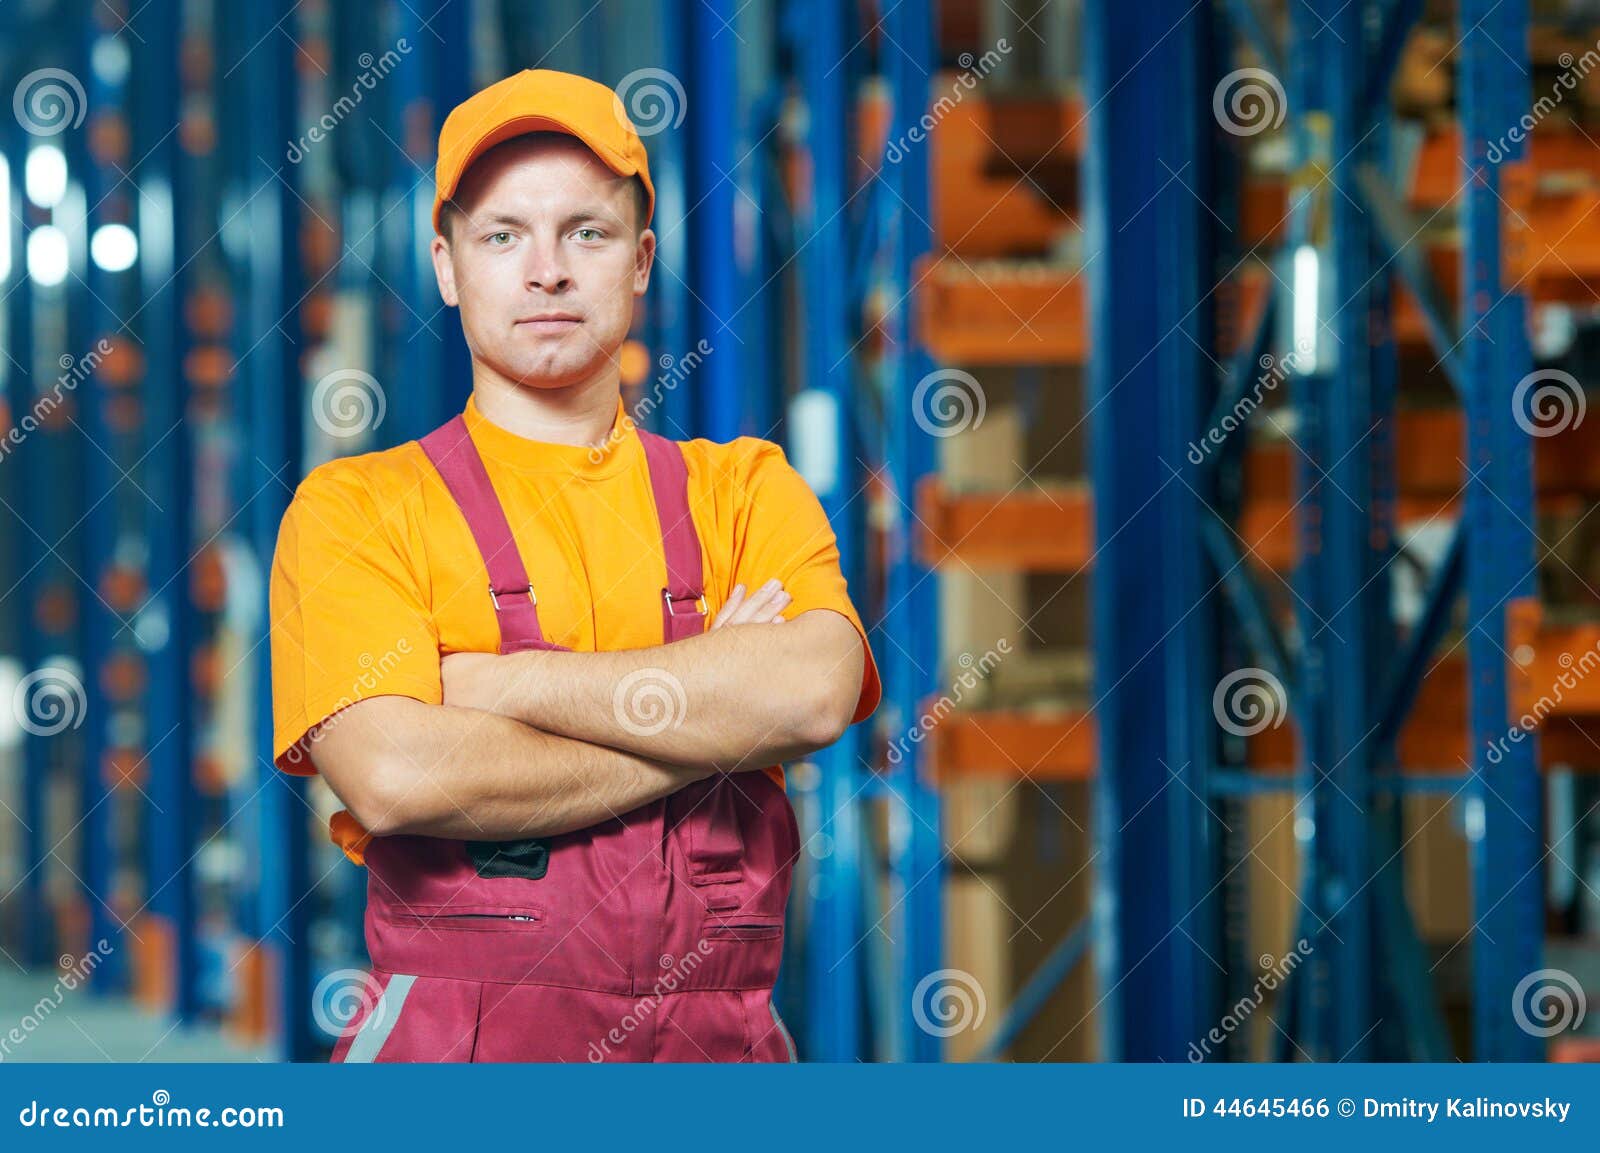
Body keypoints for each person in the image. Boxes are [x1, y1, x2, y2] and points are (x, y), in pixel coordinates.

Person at [268, 69, 880, 1062]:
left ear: (641, 261)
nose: (546, 271)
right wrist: (713, 723)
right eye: (503, 236)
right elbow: (394, 775)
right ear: (446, 266)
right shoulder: (357, 510)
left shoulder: (744, 490)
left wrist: (505, 687)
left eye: (586, 233)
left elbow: (813, 693)